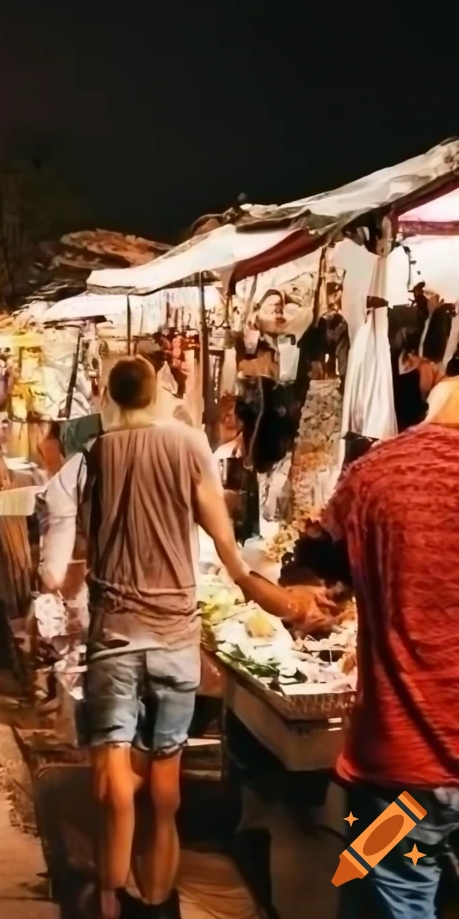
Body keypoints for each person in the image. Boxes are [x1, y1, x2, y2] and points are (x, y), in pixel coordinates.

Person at [38, 356, 330, 918]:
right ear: (156, 394)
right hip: (175, 638)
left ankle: (110, 894)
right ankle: (157, 901)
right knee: (166, 789)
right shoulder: (188, 446)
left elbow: (70, 555)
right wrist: (279, 599)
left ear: (110, 398)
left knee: (115, 778)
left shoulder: (93, 456)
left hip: (116, 636)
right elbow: (229, 551)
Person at [291, 383, 459, 919]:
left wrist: (348, 582)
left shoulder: (376, 472)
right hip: (404, 770)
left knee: (391, 887)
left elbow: (315, 556)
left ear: (433, 400)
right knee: (364, 874)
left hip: (402, 776)